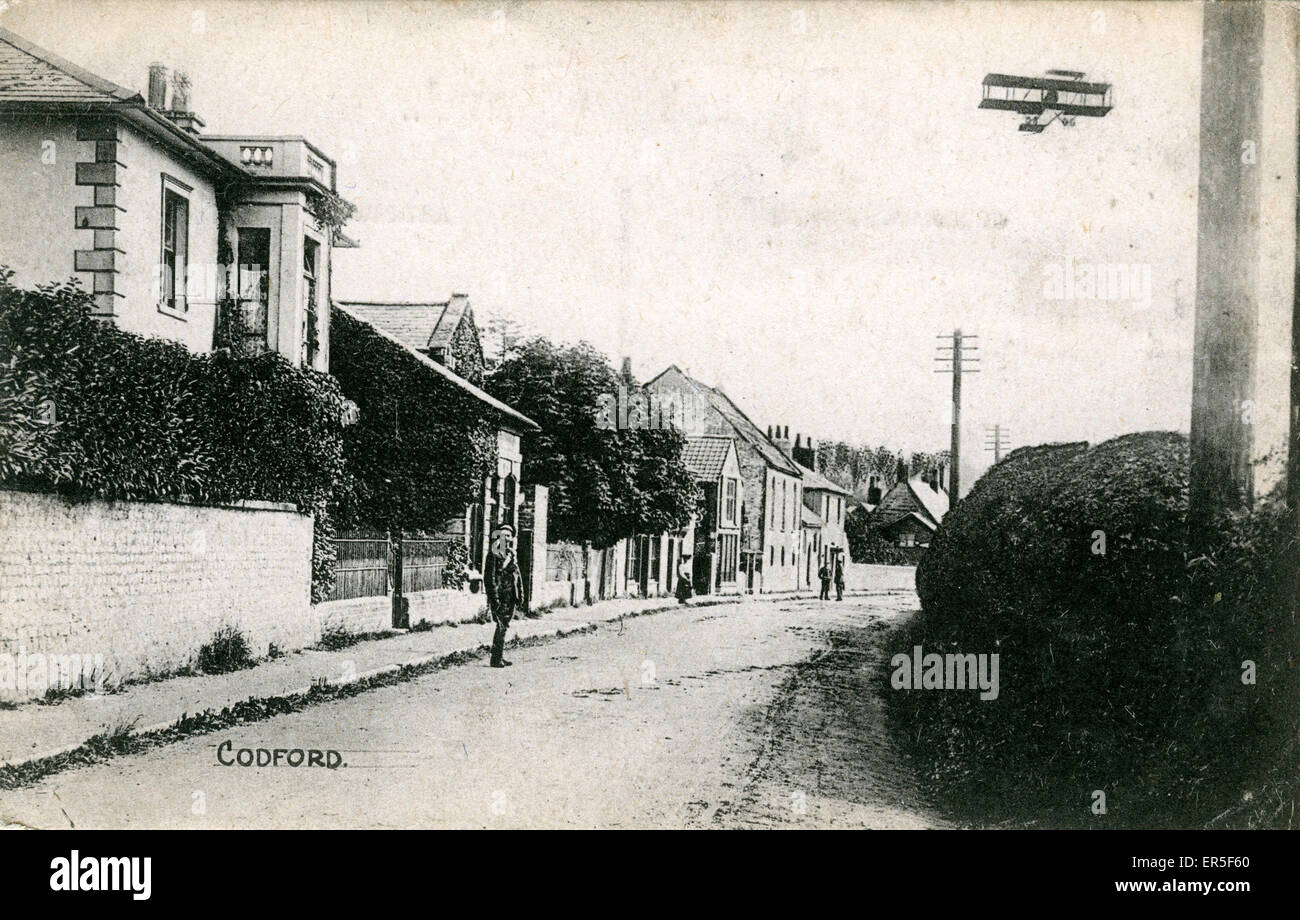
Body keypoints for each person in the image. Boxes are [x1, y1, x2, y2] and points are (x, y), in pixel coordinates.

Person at [484, 523, 524, 668]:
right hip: (500, 596)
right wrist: (494, 599)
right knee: (501, 626)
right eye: (502, 535)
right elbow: (490, 578)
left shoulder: (511, 554)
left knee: (504, 626)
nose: (505, 538)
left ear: (512, 538)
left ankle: (499, 655)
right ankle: (495, 659)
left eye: (508, 535)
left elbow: (516, 576)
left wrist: (520, 595)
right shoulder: (494, 554)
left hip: (510, 595)